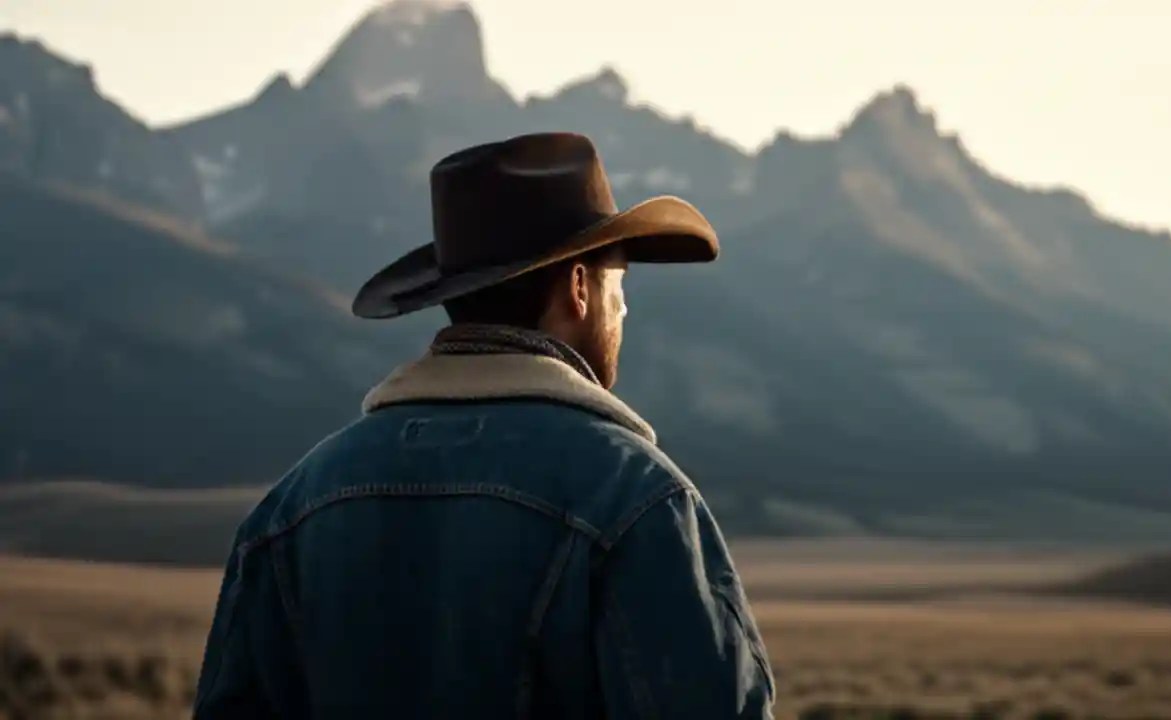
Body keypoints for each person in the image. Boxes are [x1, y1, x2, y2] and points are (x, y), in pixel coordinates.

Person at [192, 132, 775, 719]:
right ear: (578, 289)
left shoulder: (292, 508)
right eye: (617, 285)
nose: (623, 310)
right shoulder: (636, 499)